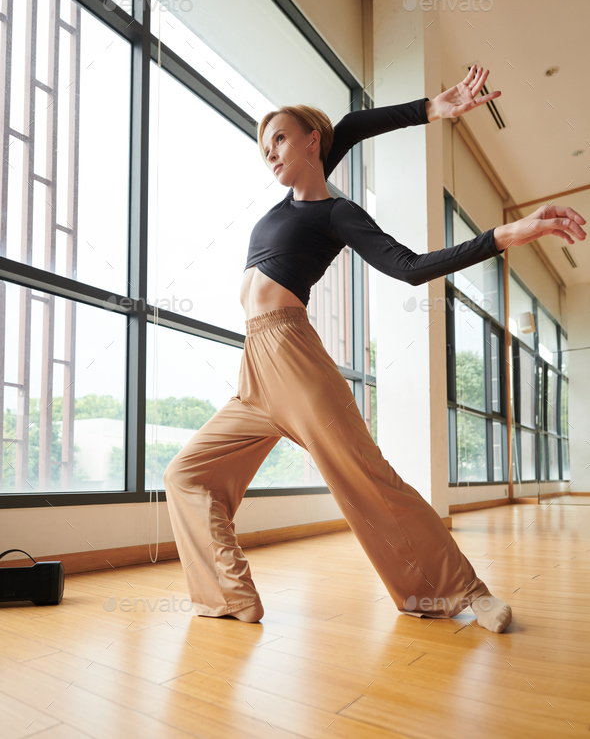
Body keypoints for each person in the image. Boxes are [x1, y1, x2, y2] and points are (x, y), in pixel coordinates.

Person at [163, 65, 586, 633]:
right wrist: (431, 109)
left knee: (368, 483)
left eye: (281, 138)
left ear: (314, 142)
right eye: (265, 146)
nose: (270, 152)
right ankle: (228, 596)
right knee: (187, 474)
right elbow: (355, 129)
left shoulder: (335, 212)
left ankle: (463, 592)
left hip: (296, 361)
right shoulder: (287, 205)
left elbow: (409, 267)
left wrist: (504, 235)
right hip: (253, 370)